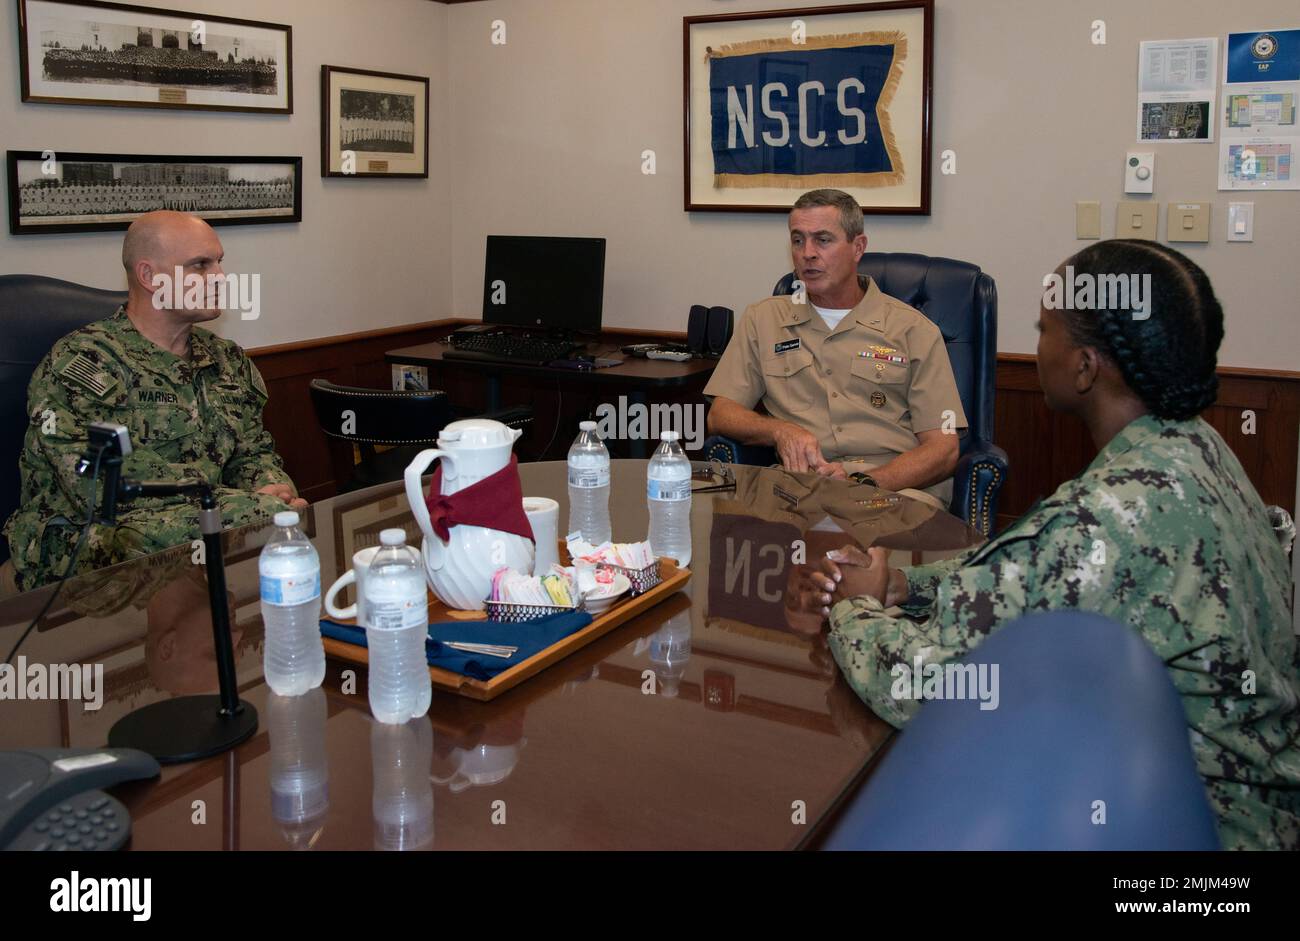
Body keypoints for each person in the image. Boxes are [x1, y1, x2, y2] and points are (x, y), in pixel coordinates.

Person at [807, 239, 1299, 850]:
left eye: (1044, 330)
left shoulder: (1107, 515)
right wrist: (907, 585)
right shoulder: (1197, 448)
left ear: (1086, 367)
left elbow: (938, 691)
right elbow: (1023, 570)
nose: (1036, 345)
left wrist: (857, 607)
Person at [3, 210, 306, 591]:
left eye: (219, 263)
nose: (220, 279)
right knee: (264, 522)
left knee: (276, 523)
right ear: (149, 277)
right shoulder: (84, 364)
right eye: (200, 265)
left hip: (203, 528)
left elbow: (253, 451)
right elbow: (99, 483)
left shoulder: (226, 360)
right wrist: (248, 507)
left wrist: (270, 484)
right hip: (93, 543)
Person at [704, 189, 966, 508]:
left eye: (823, 240)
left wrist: (863, 483)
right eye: (798, 240)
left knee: (877, 539)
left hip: (892, 490)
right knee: (743, 526)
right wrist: (780, 431)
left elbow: (944, 448)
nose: (807, 253)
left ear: (858, 247)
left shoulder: (913, 329)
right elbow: (721, 414)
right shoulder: (764, 319)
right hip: (800, 488)